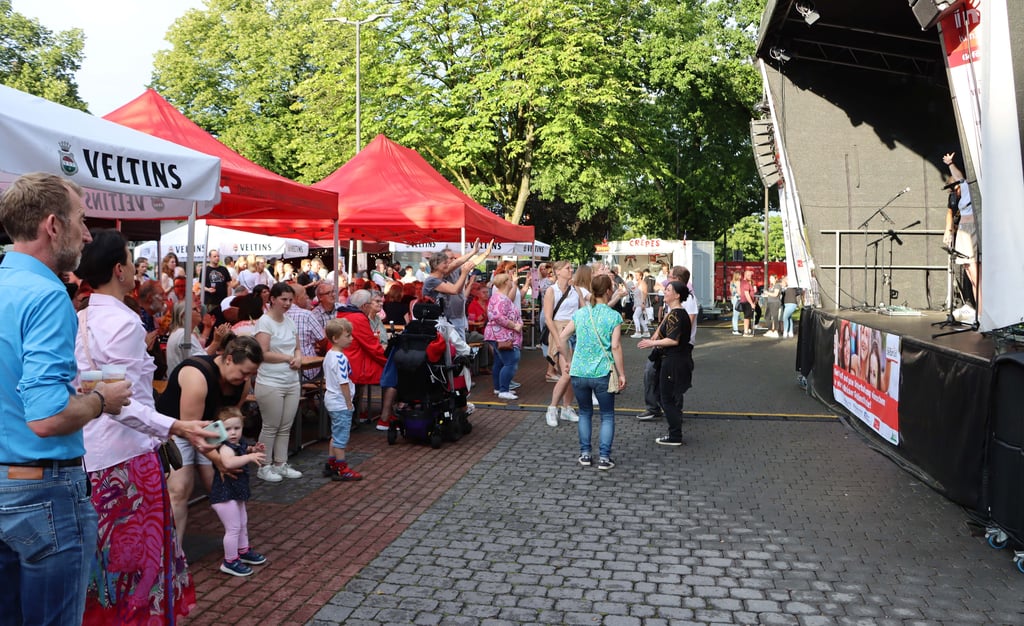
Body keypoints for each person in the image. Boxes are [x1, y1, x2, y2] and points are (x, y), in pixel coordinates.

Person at [0, 172, 133, 626]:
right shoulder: (46, 294)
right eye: (81, 219)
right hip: (42, 488)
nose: (88, 233)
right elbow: (49, 415)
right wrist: (103, 401)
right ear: (52, 225)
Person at [74, 229, 219, 623]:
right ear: (120, 269)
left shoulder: (83, 316)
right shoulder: (123, 322)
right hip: (127, 458)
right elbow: (126, 403)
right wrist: (176, 426)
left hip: (92, 454)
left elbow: (94, 390)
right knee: (137, 564)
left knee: (105, 562)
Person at [157, 336, 263, 550]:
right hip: (178, 429)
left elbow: (228, 418)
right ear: (229, 359)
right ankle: (171, 554)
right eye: (244, 373)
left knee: (223, 482)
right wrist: (218, 459)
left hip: (211, 429)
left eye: (251, 374)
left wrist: (229, 454)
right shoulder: (197, 375)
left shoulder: (242, 383)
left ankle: (237, 545)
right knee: (179, 490)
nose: (246, 379)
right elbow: (190, 429)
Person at [557, 274, 626, 470]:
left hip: (579, 372)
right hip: (603, 372)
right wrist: (621, 373)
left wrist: (568, 360)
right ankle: (604, 457)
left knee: (585, 413)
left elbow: (562, 337)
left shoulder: (580, 314)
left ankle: (585, 454)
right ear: (607, 292)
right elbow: (615, 347)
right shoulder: (614, 316)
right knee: (607, 415)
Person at [208, 406, 269, 577]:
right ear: (220, 429)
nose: (233, 432)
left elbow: (243, 449)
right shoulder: (225, 447)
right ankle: (230, 561)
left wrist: (252, 450)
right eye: (228, 429)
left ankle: (243, 551)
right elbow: (228, 463)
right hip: (224, 494)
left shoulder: (238, 443)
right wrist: (249, 458)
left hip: (235, 491)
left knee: (242, 522)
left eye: (237, 428)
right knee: (233, 527)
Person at [253, 283, 303, 482]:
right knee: (271, 426)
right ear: (272, 299)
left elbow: (297, 347)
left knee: (285, 426)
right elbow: (262, 353)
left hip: (291, 380)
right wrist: (287, 358)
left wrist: (297, 357)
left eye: (290, 300)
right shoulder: (264, 322)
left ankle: (281, 463)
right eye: (283, 299)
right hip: (270, 381)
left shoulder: (290, 322)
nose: (287, 303)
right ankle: (263, 466)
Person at [639, 281, 693, 446]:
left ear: (677, 295)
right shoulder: (674, 313)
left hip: (673, 361)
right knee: (660, 393)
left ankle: (675, 435)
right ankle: (674, 428)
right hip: (671, 360)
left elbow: (673, 340)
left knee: (666, 397)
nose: (665, 292)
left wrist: (651, 343)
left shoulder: (677, 314)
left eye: (668, 290)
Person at [336, 289, 388, 428]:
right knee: (389, 374)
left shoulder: (342, 314)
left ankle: (355, 418)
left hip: (343, 360)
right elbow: (372, 346)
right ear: (365, 306)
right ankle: (385, 414)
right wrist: (388, 360)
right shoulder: (358, 318)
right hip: (353, 363)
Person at [422, 240, 493, 340]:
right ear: (436, 265)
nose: (449, 264)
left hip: (452, 317)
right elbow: (455, 290)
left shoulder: (440, 277)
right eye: (445, 262)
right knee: (457, 349)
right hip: (443, 319)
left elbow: (460, 264)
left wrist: (478, 252)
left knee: (459, 348)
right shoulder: (432, 280)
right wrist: (464, 273)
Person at [322, 318, 363, 481]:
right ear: (336, 338)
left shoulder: (330, 355)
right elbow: (343, 382)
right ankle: (341, 467)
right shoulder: (340, 359)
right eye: (348, 336)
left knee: (336, 433)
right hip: (339, 401)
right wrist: (348, 402)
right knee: (341, 437)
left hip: (332, 399)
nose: (351, 339)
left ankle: (331, 463)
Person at [544, 260, 583, 426]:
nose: (571, 270)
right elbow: (548, 318)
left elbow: (584, 309)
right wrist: (557, 339)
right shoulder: (551, 290)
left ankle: (566, 407)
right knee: (567, 371)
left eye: (571, 268)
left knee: (573, 374)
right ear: (558, 272)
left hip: (575, 329)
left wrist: (579, 292)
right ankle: (552, 407)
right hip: (560, 330)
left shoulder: (575, 289)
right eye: (567, 268)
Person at [943, 152, 980, 311]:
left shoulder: (968, 189)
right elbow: (950, 212)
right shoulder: (956, 197)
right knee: (970, 274)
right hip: (963, 231)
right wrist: (948, 231)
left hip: (972, 228)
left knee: (976, 274)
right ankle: (979, 313)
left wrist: (950, 164)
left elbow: (960, 178)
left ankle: (982, 312)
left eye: (955, 186)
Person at [484, 273, 524, 401]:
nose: (512, 281)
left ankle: (500, 387)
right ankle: (503, 390)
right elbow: (498, 317)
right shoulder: (501, 298)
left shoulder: (499, 297)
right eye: (510, 280)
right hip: (502, 335)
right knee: (511, 361)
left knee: (500, 362)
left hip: (499, 334)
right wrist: (514, 325)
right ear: (506, 282)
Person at [166, 300, 231, 374]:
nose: (199, 311)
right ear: (184, 314)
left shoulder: (181, 332)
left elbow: (200, 353)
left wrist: (217, 340)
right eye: (195, 309)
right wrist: (216, 342)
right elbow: (200, 361)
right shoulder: (184, 334)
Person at [630, 269, 650, 339]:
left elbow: (644, 293)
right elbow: (635, 295)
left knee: (635, 316)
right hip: (637, 303)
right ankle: (646, 331)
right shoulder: (636, 284)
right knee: (640, 318)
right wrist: (634, 305)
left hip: (641, 303)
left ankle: (638, 332)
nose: (635, 276)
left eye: (637, 275)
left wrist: (643, 303)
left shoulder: (643, 283)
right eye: (635, 275)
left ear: (641, 276)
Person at [739, 268, 757, 336]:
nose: (750, 276)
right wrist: (752, 303)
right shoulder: (746, 283)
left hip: (745, 301)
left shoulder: (744, 282)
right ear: (745, 275)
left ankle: (748, 330)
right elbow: (746, 294)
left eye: (750, 275)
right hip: (747, 302)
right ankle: (746, 332)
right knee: (747, 317)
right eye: (748, 275)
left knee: (748, 316)